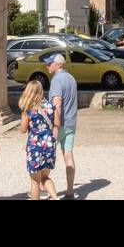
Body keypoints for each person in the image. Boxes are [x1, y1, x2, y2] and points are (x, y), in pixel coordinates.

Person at [18, 80, 57, 200]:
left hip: (35, 147)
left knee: (35, 181)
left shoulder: (28, 110)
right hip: (50, 145)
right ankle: (55, 197)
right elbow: (57, 123)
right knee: (45, 177)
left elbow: (23, 130)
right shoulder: (50, 106)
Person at [47, 53, 79, 199]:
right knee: (68, 155)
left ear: (59, 64)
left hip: (59, 124)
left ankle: (42, 187)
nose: (47, 65)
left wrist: (55, 125)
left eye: (50, 63)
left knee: (46, 155)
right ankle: (70, 191)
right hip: (71, 122)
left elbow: (57, 104)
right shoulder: (71, 78)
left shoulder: (57, 80)